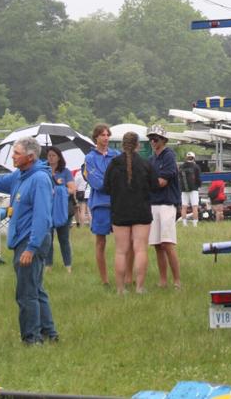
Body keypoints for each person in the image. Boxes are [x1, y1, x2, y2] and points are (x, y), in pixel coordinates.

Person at [0, 139, 58, 345]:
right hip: (24, 240)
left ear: (30, 157)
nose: (13, 156)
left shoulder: (39, 179)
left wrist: (31, 248)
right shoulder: (20, 176)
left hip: (31, 240)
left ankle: (32, 339)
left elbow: (42, 218)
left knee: (26, 293)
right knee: (36, 288)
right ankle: (49, 334)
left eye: (16, 153)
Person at [104, 132, 157, 294]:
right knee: (140, 249)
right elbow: (154, 186)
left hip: (120, 211)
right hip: (141, 211)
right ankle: (140, 287)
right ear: (138, 145)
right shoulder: (146, 164)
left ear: (122, 145)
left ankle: (120, 289)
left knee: (121, 250)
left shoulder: (113, 164)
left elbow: (106, 188)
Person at [84, 124, 120, 285]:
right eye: (102, 135)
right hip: (100, 204)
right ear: (96, 137)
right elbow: (96, 182)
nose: (105, 138)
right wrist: (112, 183)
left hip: (118, 204)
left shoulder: (116, 155)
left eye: (107, 135)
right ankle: (105, 280)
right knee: (100, 242)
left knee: (124, 241)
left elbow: (123, 177)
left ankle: (125, 277)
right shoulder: (90, 158)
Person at [147, 125, 182, 289]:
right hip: (153, 204)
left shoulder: (169, 156)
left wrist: (148, 183)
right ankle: (162, 281)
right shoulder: (151, 159)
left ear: (164, 140)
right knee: (157, 245)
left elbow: (162, 182)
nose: (153, 141)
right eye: (151, 138)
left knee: (167, 243)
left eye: (156, 138)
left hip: (167, 203)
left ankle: (177, 281)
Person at [44, 146, 76, 274]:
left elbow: (72, 189)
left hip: (63, 209)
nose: (51, 158)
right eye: (49, 155)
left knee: (64, 238)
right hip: (47, 208)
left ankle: (68, 266)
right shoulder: (43, 171)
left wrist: (58, 191)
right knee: (47, 238)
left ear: (59, 157)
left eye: (53, 155)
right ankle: (48, 265)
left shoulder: (65, 172)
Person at [178, 151, 202, 227]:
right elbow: (198, 178)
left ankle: (184, 224)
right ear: (193, 158)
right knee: (194, 207)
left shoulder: (181, 166)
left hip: (184, 189)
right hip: (194, 189)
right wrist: (198, 185)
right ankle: (195, 224)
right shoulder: (196, 167)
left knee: (184, 207)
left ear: (186, 158)